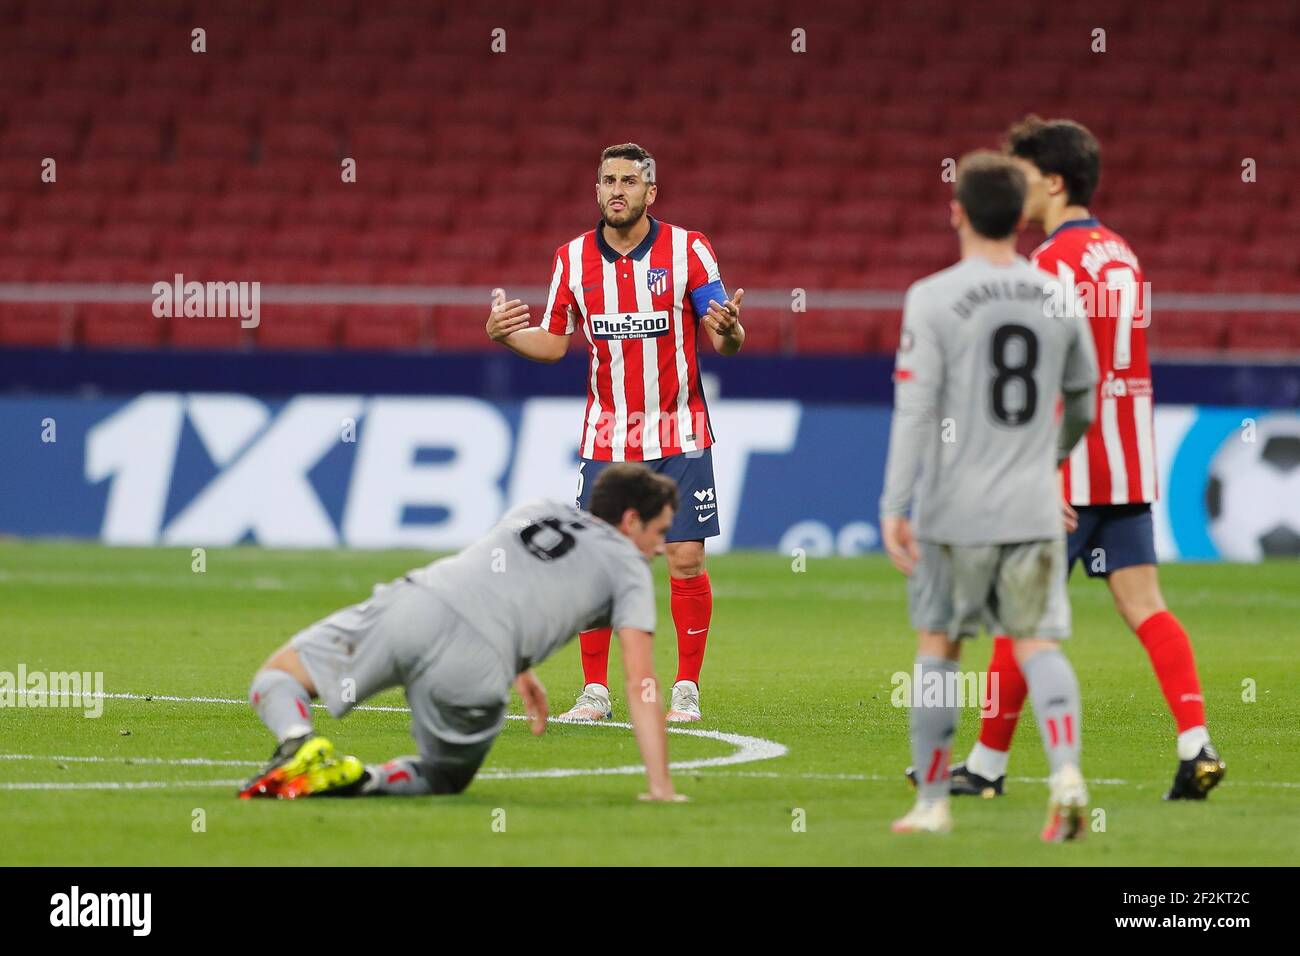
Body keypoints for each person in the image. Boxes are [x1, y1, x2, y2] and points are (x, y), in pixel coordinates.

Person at [950, 116, 1225, 802]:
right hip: (1128, 461)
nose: (1015, 189)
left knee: (1023, 616)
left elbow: (1043, 378)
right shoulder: (1121, 254)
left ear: (1052, 181)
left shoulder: (1048, 265)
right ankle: (1196, 744)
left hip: (1066, 468)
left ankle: (985, 768)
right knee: (1146, 606)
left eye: (1022, 175)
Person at [485, 142, 746, 723]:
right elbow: (553, 344)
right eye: (609, 180)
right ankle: (596, 692)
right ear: (596, 189)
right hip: (608, 437)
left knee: (683, 556)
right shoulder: (571, 259)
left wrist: (730, 330)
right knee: (597, 564)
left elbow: (722, 335)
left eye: (630, 180)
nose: (618, 190)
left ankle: (685, 689)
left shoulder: (688, 250)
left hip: (680, 431)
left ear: (651, 192)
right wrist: (504, 336)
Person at [238, 463, 685, 803]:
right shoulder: (629, 568)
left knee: (276, 679)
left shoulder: (538, 509)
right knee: (442, 777)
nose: (662, 547)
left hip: (417, 605)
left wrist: (521, 667)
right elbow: (639, 681)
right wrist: (660, 785)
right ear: (630, 520)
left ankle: (298, 740)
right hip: (477, 667)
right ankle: (364, 781)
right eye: (660, 531)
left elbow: (497, 578)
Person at [881, 151, 1100, 839]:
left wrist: (895, 505)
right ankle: (1065, 772)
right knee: (1038, 643)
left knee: (940, 649)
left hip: (954, 510)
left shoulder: (934, 295)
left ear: (959, 212)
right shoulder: (1059, 293)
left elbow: (914, 411)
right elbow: (1085, 399)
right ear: (1018, 215)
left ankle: (933, 802)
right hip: (1032, 504)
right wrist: (1049, 459)